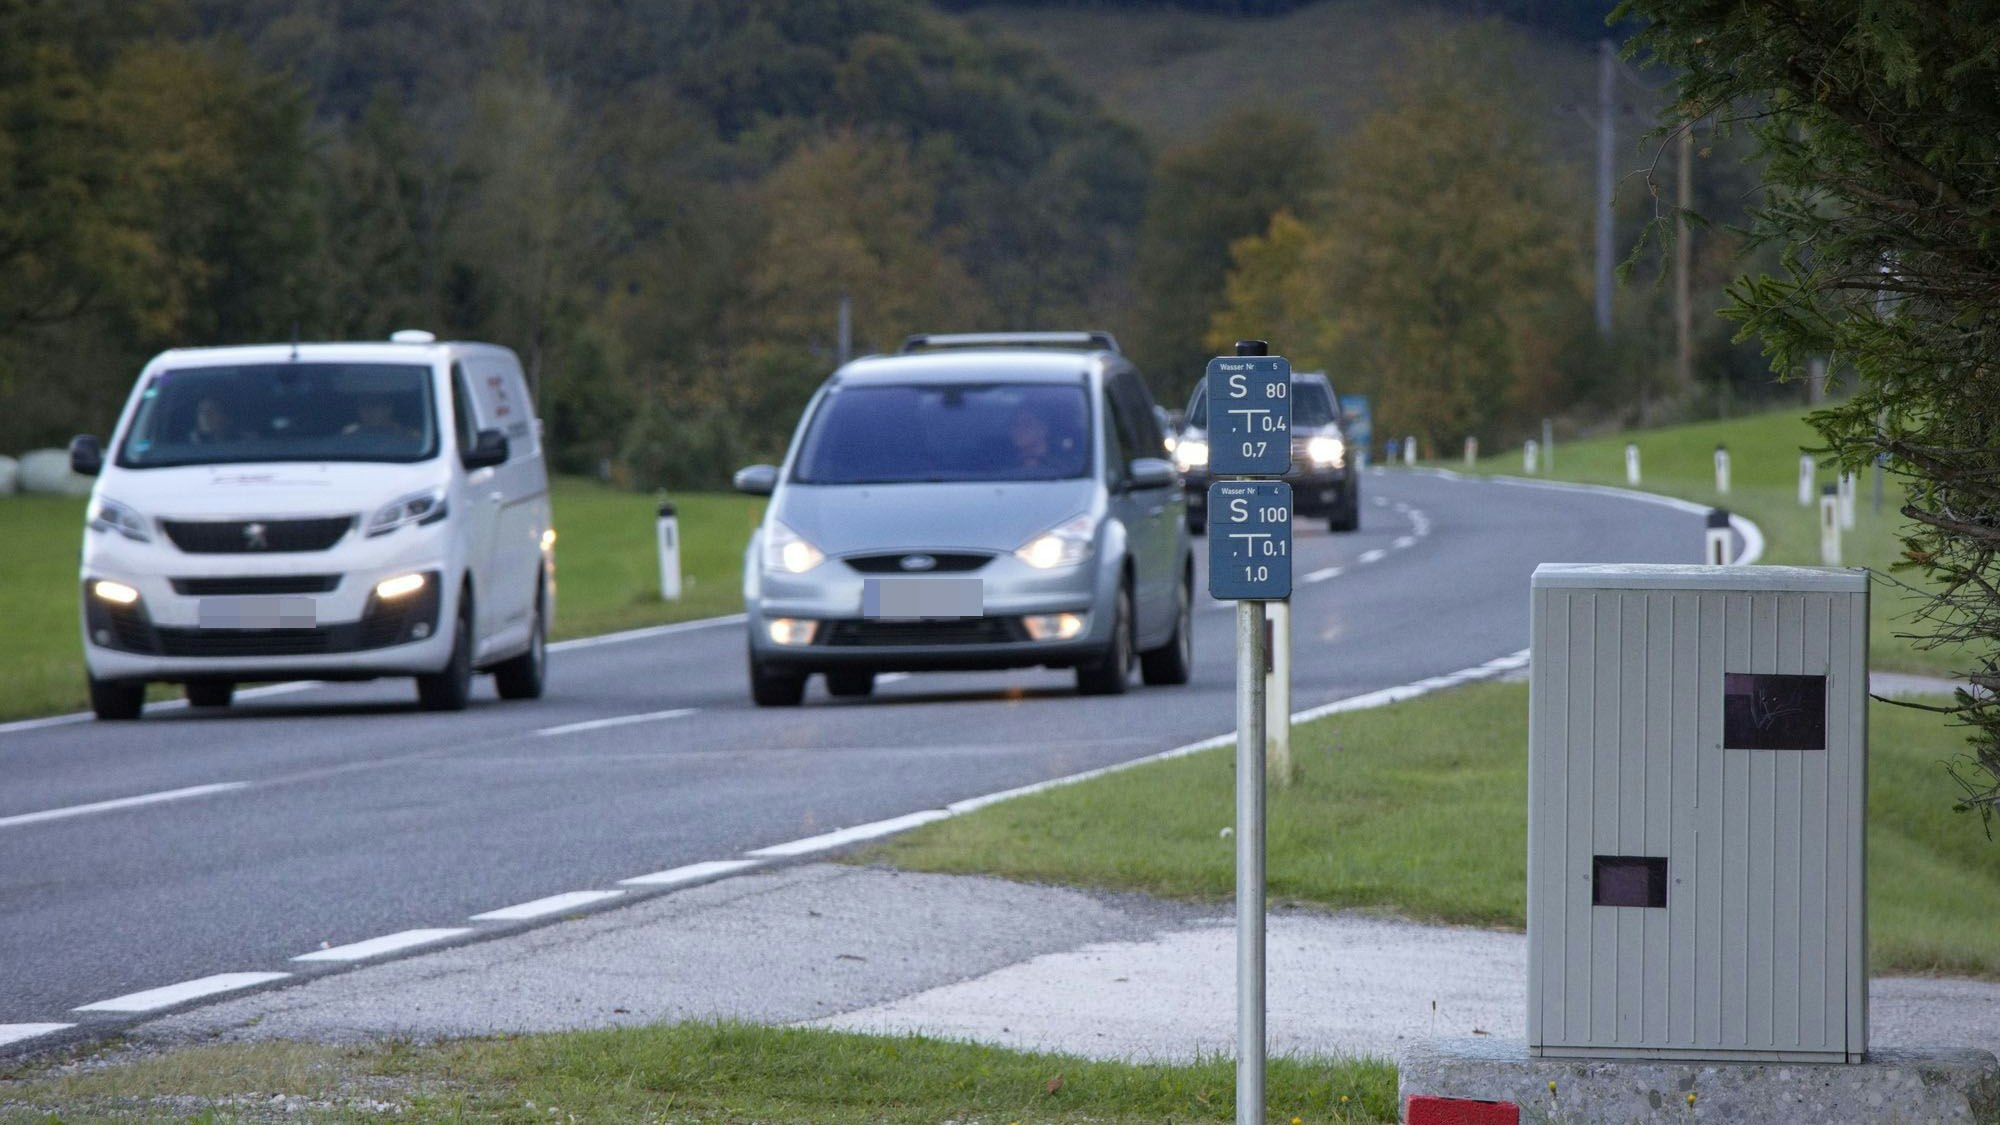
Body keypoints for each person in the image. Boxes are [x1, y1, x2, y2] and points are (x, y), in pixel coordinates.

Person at [343, 395, 412, 438]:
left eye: (373, 404)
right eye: (363, 404)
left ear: (388, 408)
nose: (368, 409)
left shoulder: (408, 436)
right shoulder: (348, 436)